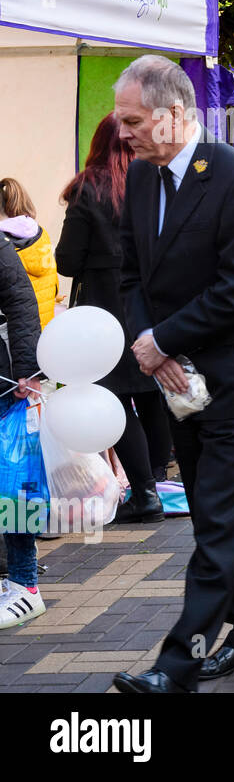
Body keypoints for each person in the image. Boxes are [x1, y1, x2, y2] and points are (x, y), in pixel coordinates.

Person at [111, 55, 234, 692]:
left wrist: (162, 341)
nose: (122, 132)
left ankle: (176, 664)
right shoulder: (143, 180)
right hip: (178, 383)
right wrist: (150, 345)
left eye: (132, 120)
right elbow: (133, 277)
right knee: (222, 517)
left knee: (213, 518)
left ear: (174, 114)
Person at [55, 113, 172, 523]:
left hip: (104, 310)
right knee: (151, 388)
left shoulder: (89, 186)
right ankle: (160, 477)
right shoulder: (155, 180)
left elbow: (67, 260)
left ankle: (144, 492)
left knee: (115, 397)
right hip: (152, 303)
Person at [0, 233, 43, 629]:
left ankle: (25, 585)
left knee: (14, 486)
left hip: (2, 384)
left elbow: (20, 301)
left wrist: (26, 369)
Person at [0, 179, 58, 328]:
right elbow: (55, 284)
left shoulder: (3, 245)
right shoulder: (41, 234)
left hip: (14, 335)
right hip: (45, 330)